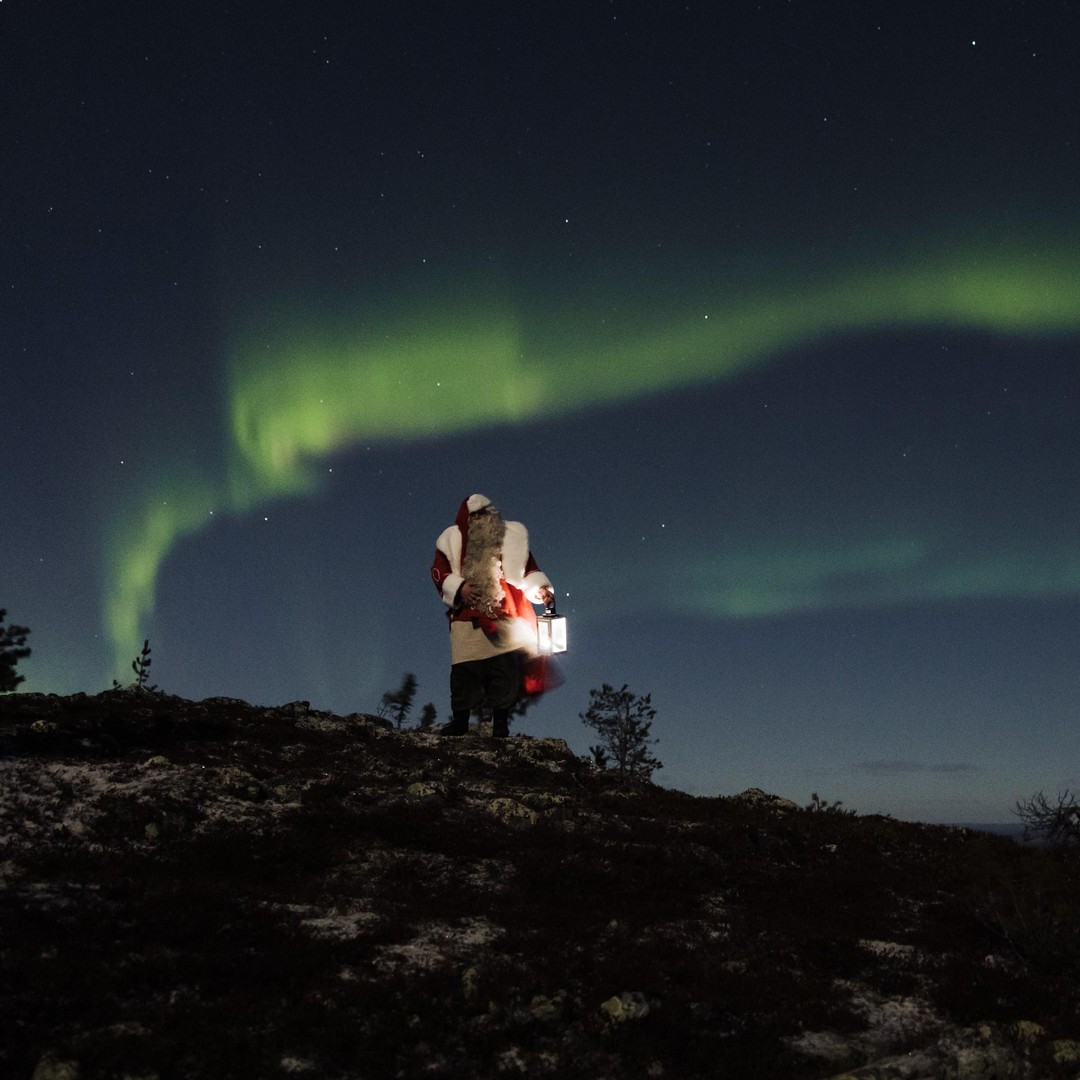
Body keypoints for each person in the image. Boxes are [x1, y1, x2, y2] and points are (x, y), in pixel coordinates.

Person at [430, 493, 555, 737]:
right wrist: (460, 587)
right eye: (476, 517)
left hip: (504, 615)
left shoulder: (510, 540)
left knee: (504, 673)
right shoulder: (451, 540)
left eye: (486, 515)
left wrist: (541, 590)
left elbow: (528, 569)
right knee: (464, 673)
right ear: (467, 519)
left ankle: (500, 724)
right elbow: (439, 571)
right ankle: (460, 722)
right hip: (466, 618)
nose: (482, 521)